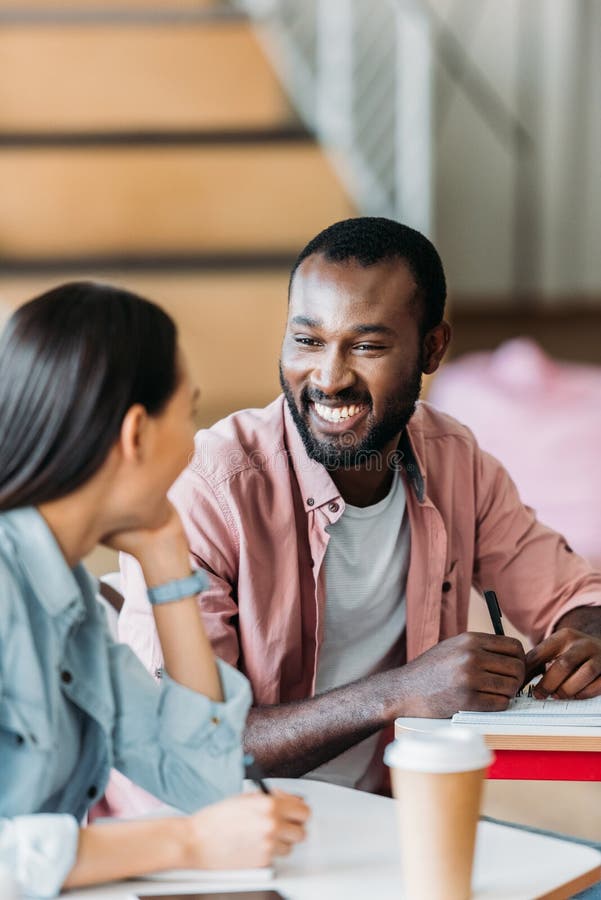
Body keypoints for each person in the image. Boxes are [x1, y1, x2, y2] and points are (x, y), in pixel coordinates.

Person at [120, 217, 601, 796]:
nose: (329, 376)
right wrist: (398, 693)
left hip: (384, 820)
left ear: (432, 348)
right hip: (217, 841)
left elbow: (577, 596)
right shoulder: (207, 490)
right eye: (307, 340)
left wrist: (586, 638)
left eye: (367, 345)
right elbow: (193, 747)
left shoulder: (456, 461)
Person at [0, 282, 309, 899]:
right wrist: (186, 844)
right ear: (136, 434)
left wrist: (170, 571)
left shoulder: (72, 602)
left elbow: (202, 780)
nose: (195, 441)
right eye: (187, 413)